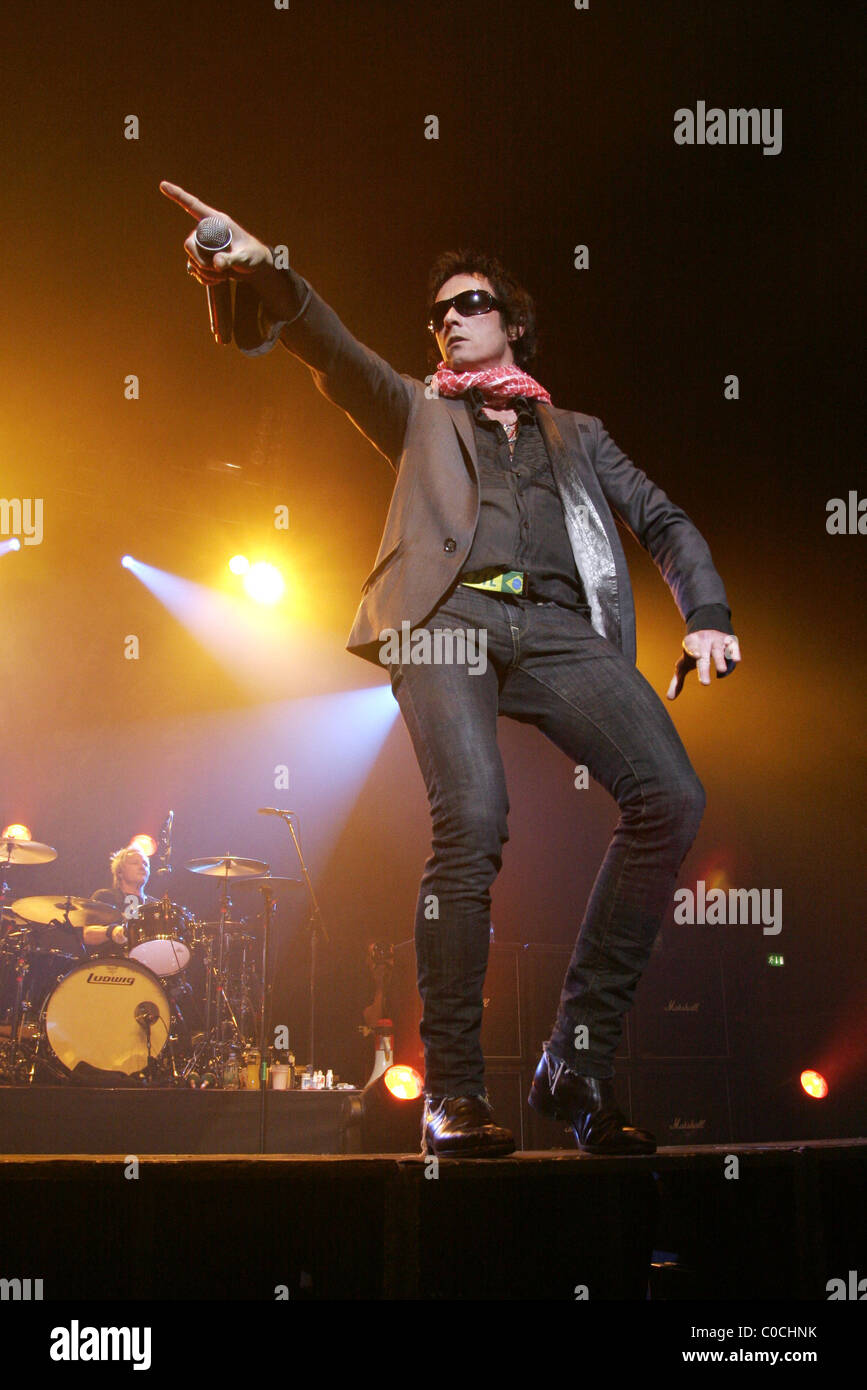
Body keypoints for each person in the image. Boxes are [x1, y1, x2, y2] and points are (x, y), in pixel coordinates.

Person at [161, 181, 742, 1158]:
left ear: (513, 323)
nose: (449, 322)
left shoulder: (579, 433)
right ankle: (457, 1095)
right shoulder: (420, 414)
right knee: (471, 819)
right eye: (438, 313)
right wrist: (264, 268)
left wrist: (709, 616)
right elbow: (333, 353)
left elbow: (665, 520)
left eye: (469, 304)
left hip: (560, 627)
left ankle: (577, 1064)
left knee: (671, 797)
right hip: (446, 619)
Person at [87, 846, 155, 955]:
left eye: (146, 864)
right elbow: (88, 935)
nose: (142, 867)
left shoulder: (155, 905)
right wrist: (112, 931)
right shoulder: (105, 896)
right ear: (120, 872)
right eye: (135, 863)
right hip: (109, 966)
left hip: (146, 967)